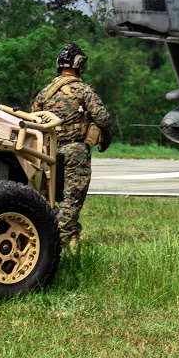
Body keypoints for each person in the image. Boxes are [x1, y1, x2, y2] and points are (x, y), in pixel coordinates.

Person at [31, 42, 112, 249]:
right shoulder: (83, 90)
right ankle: (57, 244)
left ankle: (73, 238)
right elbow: (102, 119)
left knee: (49, 199)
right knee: (72, 200)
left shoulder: (45, 92)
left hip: (47, 151)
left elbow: (33, 119)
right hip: (75, 152)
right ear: (80, 65)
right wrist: (105, 139)